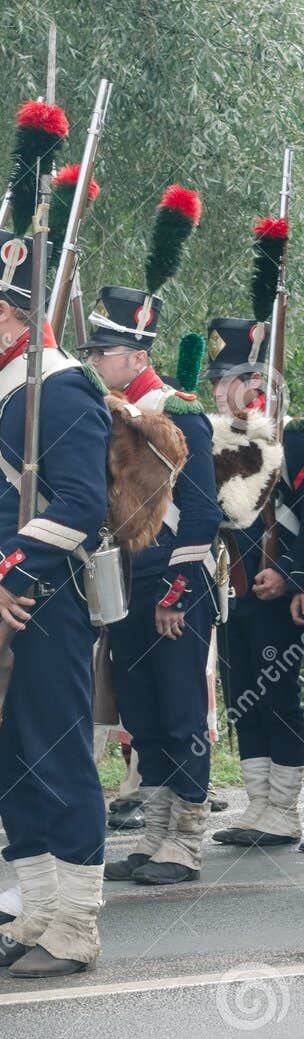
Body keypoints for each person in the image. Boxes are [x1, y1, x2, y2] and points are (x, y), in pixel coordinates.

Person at [0, 223, 112, 978]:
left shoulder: (62, 385)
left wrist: (13, 566)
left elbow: (84, 501)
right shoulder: (6, 384)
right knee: (10, 760)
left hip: (45, 601)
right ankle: (40, 908)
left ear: (6, 311)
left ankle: (76, 923)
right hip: (2, 603)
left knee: (59, 756)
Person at [82, 288, 221, 886]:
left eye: (107, 351)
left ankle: (185, 845)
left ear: (138, 356)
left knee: (181, 712)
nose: (97, 361)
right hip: (127, 585)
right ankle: (157, 835)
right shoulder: (103, 411)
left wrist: (178, 593)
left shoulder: (179, 412)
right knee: (142, 712)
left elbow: (203, 513)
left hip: (174, 589)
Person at [206, 316, 304, 849]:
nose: (221, 392)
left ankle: (285, 811)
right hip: (230, 592)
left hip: (275, 594)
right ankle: (259, 806)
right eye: (217, 382)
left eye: (232, 381)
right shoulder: (212, 439)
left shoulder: (294, 439)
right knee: (243, 693)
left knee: (277, 697)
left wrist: (292, 576)